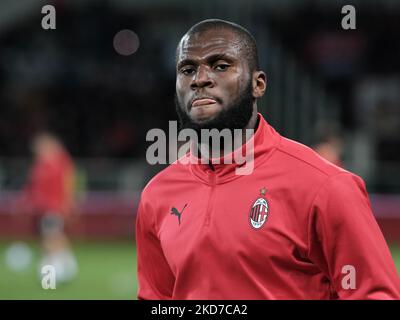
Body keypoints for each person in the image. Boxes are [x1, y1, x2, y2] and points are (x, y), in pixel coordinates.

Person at [136, 19, 400, 299]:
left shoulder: (326, 186)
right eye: (187, 69)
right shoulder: (157, 196)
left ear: (258, 84)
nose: (200, 78)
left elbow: (376, 294)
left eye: (221, 66)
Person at [20, 132, 78, 283]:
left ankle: (52, 273)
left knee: (50, 238)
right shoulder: (41, 164)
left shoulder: (59, 163)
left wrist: (68, 203)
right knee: (53, 237)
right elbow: (33, 187)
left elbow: (67, 184)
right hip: (43, 208)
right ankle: (67, 265)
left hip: (53, 207)